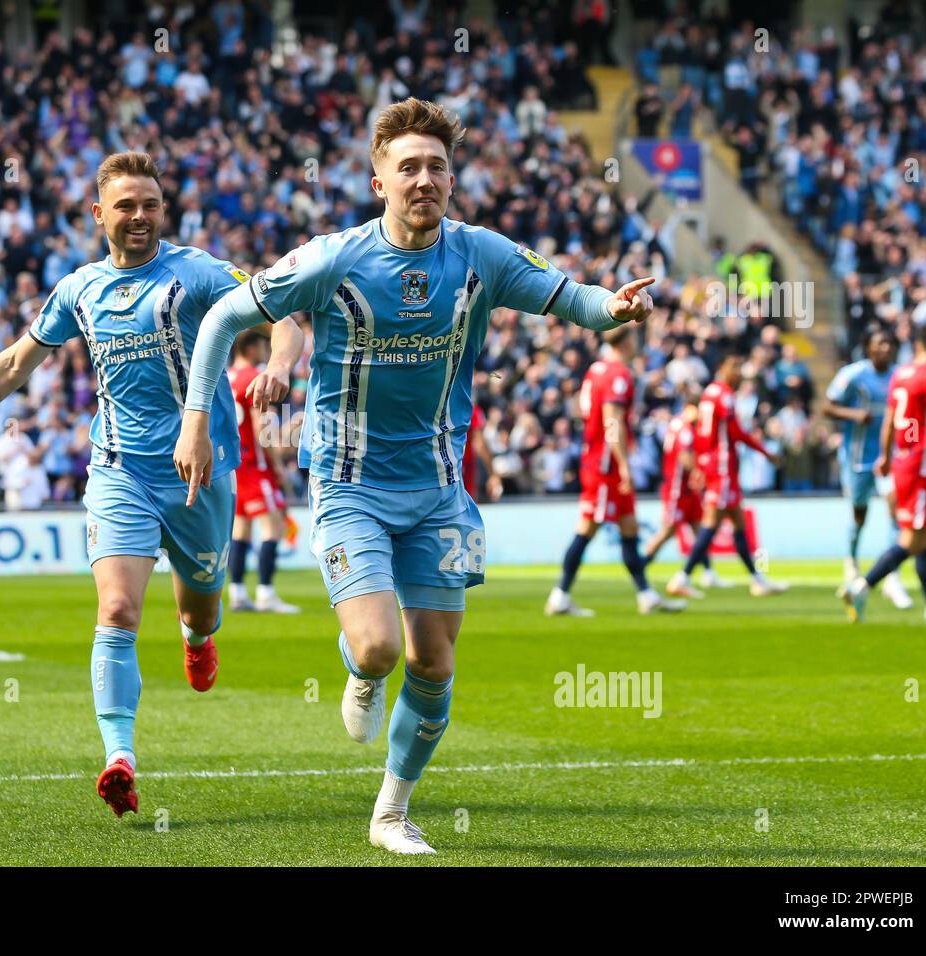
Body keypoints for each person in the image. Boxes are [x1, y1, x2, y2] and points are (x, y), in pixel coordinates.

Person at [175, 98, 652, 854]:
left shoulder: (481, 255)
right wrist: (198, 418)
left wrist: (613, 308)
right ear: (378, 182)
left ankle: (392, 812)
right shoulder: (331, 259)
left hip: (438, 490)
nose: (423, 179)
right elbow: (220, 320)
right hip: (350, 485)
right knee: (377, 649)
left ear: (452, 180)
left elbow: (570, 299)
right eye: (408, 168)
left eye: (436, 167)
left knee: (434, 660)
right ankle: (358, 672)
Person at [0, 151, 303, 818]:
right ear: (99, 215)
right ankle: (120, 756)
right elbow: (12, 365)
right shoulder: (80, 289)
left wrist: (282, 368)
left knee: (201, 608)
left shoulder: (199, 271)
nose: (139, 215)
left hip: (200, 473)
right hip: (118, 472)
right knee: (117, 610)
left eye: (150, 204)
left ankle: (196, 639)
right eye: (125, 205)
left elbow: (284, 316)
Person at [545, 325, 685, 616]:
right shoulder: (617, 374)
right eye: (634, 337)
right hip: (605, 465)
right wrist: (624, 466)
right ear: (625, 341)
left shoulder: (595, 370)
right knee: (587, 528)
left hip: (597, 459)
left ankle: (647, 595)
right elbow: (613, 422)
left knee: (629, 527)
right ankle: (560, 595)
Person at [843, 323, 926, 622]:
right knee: (913, 538)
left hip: (904, 461)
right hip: (921, 466)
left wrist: (884, 454)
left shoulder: (901, 375)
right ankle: (863, 585)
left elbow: (890, 421)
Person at [667, 351, 790, 598]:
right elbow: (736, 433)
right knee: (711, 523)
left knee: (738, 523)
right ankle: (683, 577)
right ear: (722, 366)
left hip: (718, 467)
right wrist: (766, 452)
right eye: (734, 366)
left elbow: (703, 435)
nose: (739, 373)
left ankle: (758, 579)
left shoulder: (709, 394)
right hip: (722, 468)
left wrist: (700, 465)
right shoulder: (723, 395)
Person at [821, 328, 912, 609]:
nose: (885, 348)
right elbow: (827, 408)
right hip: (858, 458)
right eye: (879, 343)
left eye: (889, 343)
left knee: (896, 511)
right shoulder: (852, 375)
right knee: (859, 515)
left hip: (890, 458)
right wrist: (853, 414)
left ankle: (892, 577)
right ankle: (851, 561)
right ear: (868, 349)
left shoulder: (900, 377)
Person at [226, 328, 300, 614]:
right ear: (253, 348)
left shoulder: (226, 377)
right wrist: (279, 466)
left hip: (234, 466)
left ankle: (237, 592)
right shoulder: (254, 379)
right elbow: (262, 431)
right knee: (273, 528)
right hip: (255, 466)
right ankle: (266, 593)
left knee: (241, 529)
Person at [641, 400, 723, 594]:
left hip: (687, 489)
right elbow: (684, 456)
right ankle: (640, 567)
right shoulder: (683, 427)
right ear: (690, 408)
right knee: (668, 530)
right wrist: (697, 472)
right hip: (677, 488)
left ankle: (708, 572)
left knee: (698, 526)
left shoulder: (678, 424)